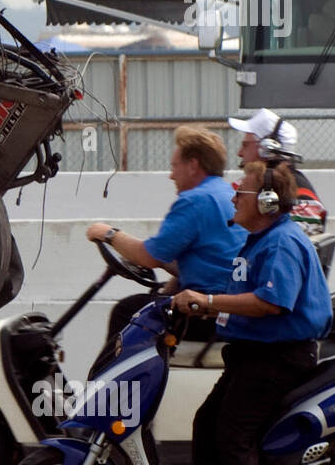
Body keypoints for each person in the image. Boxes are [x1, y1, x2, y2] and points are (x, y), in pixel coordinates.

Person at [168, 161, 333, 465]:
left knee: (235, 437)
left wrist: (207, 300)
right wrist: (203, 306)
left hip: (278, 358)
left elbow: (273, 303)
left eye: (240, 193)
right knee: (208, 423)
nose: (233, 198)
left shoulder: (281, 242)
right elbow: (245, 298)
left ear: (266, 201)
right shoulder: (258, 241)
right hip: (253, 355)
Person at [87, 126, 245, 348]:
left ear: (193, 165)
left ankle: (111, 382)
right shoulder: (226, 193)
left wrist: (108, 234)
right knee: (155, 297)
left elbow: (147, 256)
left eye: (174, 166)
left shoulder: (194, 200)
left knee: (127, 311)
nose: (171, 175)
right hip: (227, 304)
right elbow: (198, 259)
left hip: (209, 312)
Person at [228, 108, 328, 236]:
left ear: (266, 149)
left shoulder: (301, 196)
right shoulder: (250, 184)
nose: (240, 153)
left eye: (245, 145)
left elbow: (294, 246)